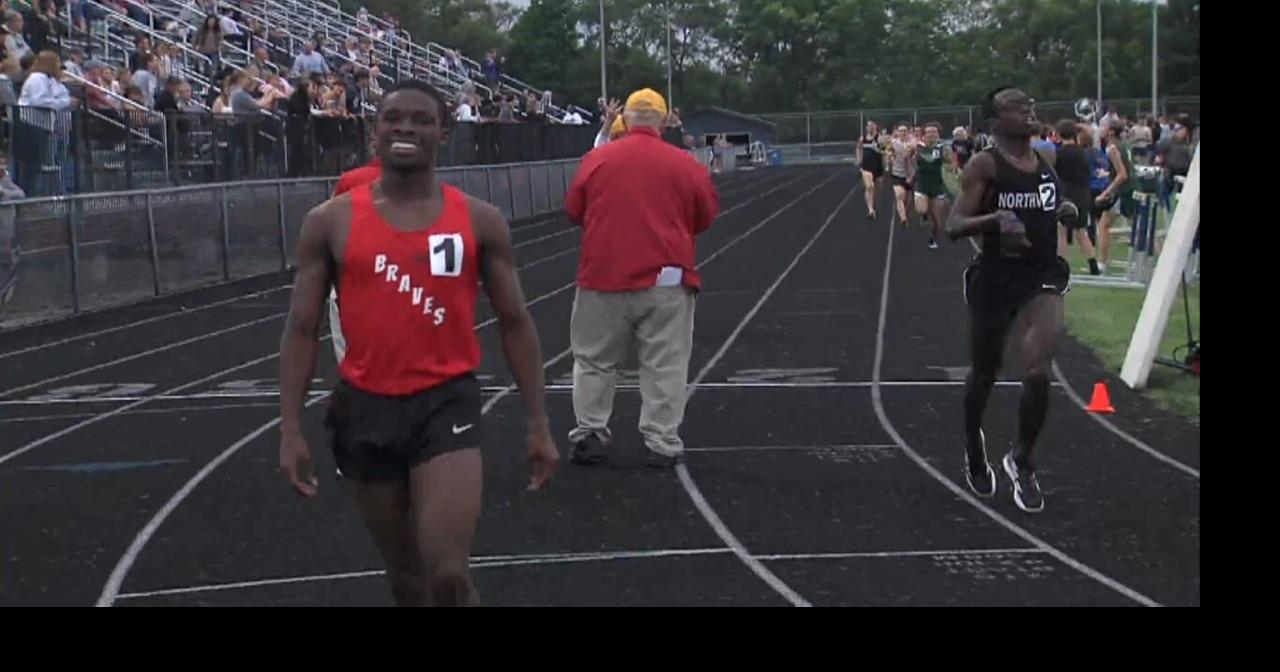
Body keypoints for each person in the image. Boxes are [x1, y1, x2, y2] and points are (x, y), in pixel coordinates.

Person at [278, 80, 559, 606]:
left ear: (444, 133)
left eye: (422, 120)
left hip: (445, 404)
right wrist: (290, 428)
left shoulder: (479, 221)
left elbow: (515, 321)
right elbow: (301, 327)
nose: (406, 128)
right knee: (408, 579)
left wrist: (538, 421)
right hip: (364, 410)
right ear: (375, 131)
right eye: (394, 118)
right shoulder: (329, 223)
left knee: (448, 574)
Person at [563, 88, 719, 468]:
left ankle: (590, 431)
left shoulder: (596, 160)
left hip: (603, 277)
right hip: (666, 280)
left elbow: (573, 210)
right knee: (665, 362)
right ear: (664, 122)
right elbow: (706, 216)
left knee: (594, 360)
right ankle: (661, 441)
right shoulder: (686, 165)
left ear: (626, 119)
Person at [946, 87, 1080, 514]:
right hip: (996, 280)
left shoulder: (1047, 160)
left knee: (1040, 366)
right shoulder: (985, 165)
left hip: (1041, 275)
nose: (1029, 111)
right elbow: (953, 224)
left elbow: (1050, 201)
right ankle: (972, 443)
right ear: (995, 121)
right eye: (1017, 108)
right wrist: (993, 220)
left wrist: (1066, 209)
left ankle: (1022, 460)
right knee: (985, 371)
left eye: (1030, 105)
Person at [1054, 121, 1101, 275]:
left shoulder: (1060, 154)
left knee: (1062, 230)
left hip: (1067, 195)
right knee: (1081, 231)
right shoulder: (1083, 153)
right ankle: (1093, 264)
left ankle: (1061, 265)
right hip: (1083, 194)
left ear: (1060, 135)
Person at [913, 122, 949, 249]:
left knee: (937, 221)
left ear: (938, 134)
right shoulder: (917, 147)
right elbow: (908, 157)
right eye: (928, 132)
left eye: (934, 132)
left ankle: (933, 238)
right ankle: (924, 214)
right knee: (922, 209)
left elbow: (950, 161)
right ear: (923, 135)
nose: (931, 135)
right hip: (922, 185)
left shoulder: (942, 148)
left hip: (936, 187)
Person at [858, 120, 885, 220]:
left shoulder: (880, 138)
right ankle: (870, 210)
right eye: (868, 126)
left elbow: (885, 150)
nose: (869, 127)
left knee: (877, 190)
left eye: (871, 126)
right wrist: (859, 158)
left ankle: (873, 205)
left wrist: (878, 149)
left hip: (877, 167)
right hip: (866, 167)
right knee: (869, 187)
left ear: (875, 127)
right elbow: (858, 148)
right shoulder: (862, 139)